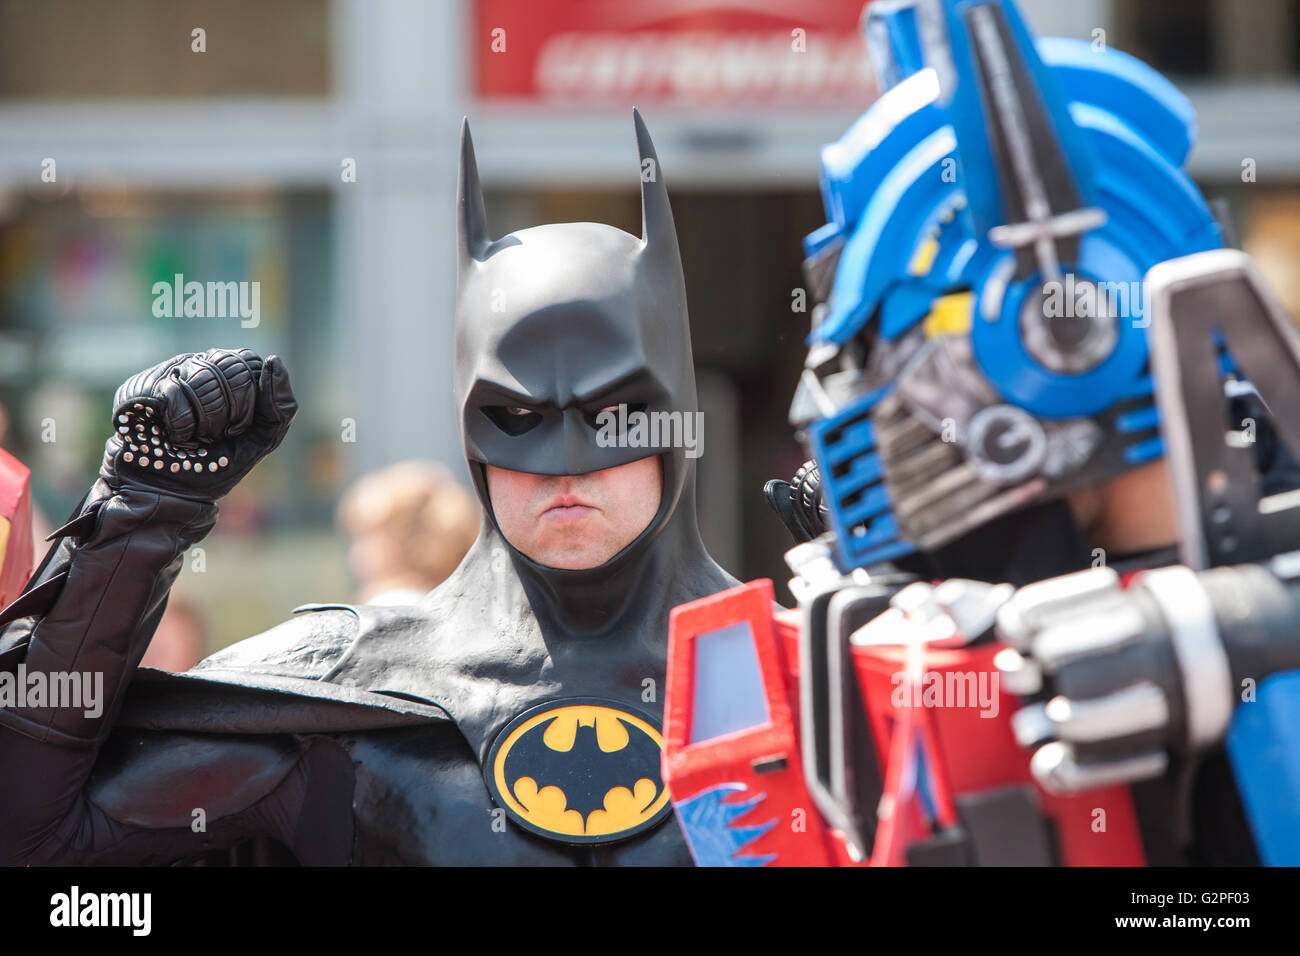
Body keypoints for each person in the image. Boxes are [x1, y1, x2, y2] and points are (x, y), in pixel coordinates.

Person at [0, 111, 734, 866]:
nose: (568, 464)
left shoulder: (800, 679)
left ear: (675, 421)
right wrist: (141, 510)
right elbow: (36, 847)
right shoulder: (348, 688)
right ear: (471, 427)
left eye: (615, 415)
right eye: (517, 416)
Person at [336, 460, 480, 605]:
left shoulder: (392, 602)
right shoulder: (462, 601)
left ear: (415, 544)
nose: (355, 554)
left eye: (367, 537)